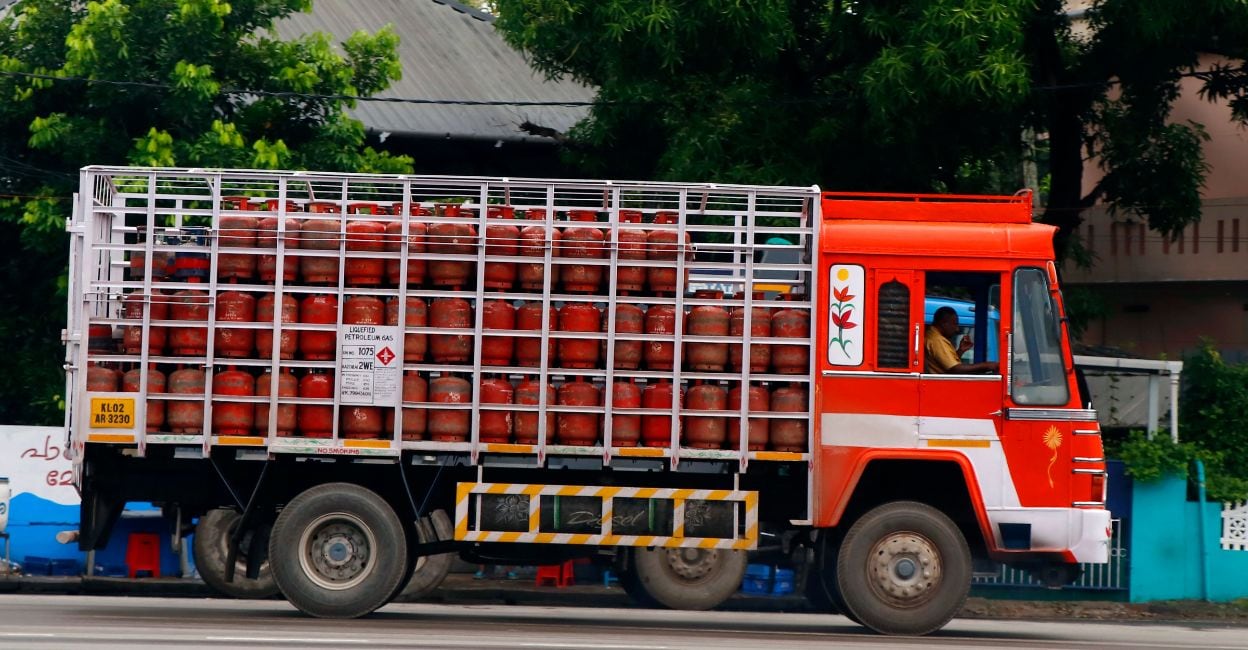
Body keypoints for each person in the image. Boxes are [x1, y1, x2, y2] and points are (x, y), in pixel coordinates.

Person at [925, 306, 999, 374]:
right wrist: (986, 365)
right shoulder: (937, 340)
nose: (957, 329)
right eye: (955, 324)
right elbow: (955, 369)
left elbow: (946, 362)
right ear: (944, 323)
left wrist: (961, 350)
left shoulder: (933, 336)